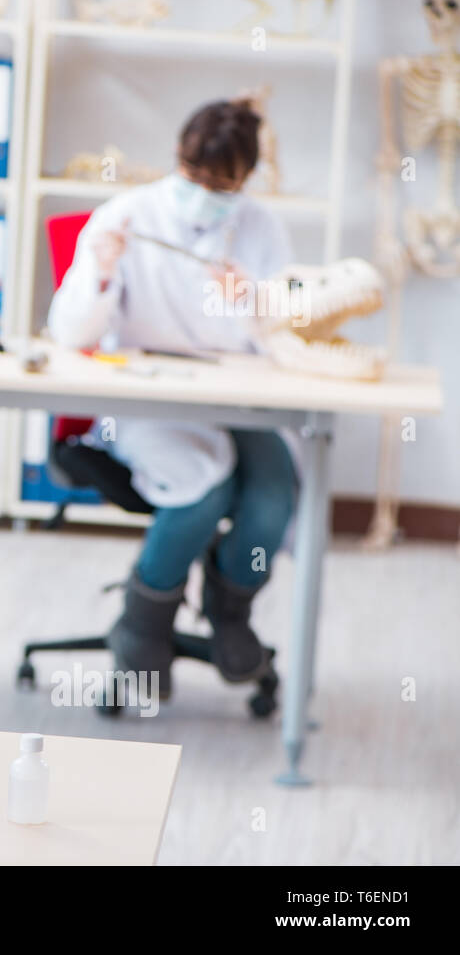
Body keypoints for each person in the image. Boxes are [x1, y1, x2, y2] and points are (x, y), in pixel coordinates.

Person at [47, 98, 297, 698]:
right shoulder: (127, 215)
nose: (205, 191)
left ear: (245, 180)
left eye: (222, 183)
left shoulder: (261, 229)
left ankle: (229, 611)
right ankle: (142, 626)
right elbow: (69, 334)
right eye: (194, 176)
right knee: (201, 486)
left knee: (273, 494)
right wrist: (101, 272)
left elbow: (288, 336)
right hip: (147, 400)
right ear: (177, 160)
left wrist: (256, 304)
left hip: (237, 401)